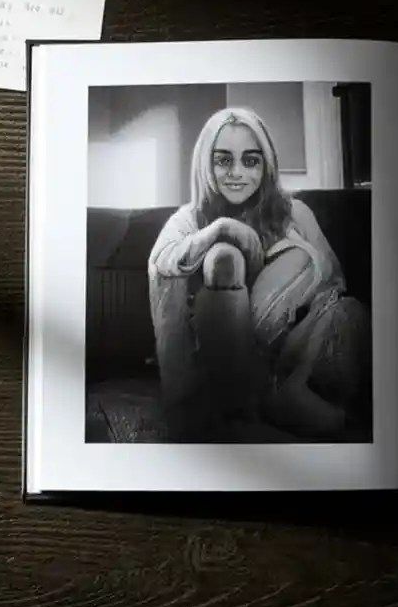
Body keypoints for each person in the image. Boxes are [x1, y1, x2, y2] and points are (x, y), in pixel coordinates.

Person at [147, 107, 369, 442]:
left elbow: (334, 286)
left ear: (266, 165)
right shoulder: (190, 219)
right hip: (226, 359)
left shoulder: (296, 213)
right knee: (223, 257)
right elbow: (161, 261)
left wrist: (304, 363)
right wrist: (219, 230)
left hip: (299, 348)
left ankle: (290, 397)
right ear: (205, 163)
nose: (237, 173)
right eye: (223, 160)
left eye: (250, 161)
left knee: (347, 308)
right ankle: (259, 404)